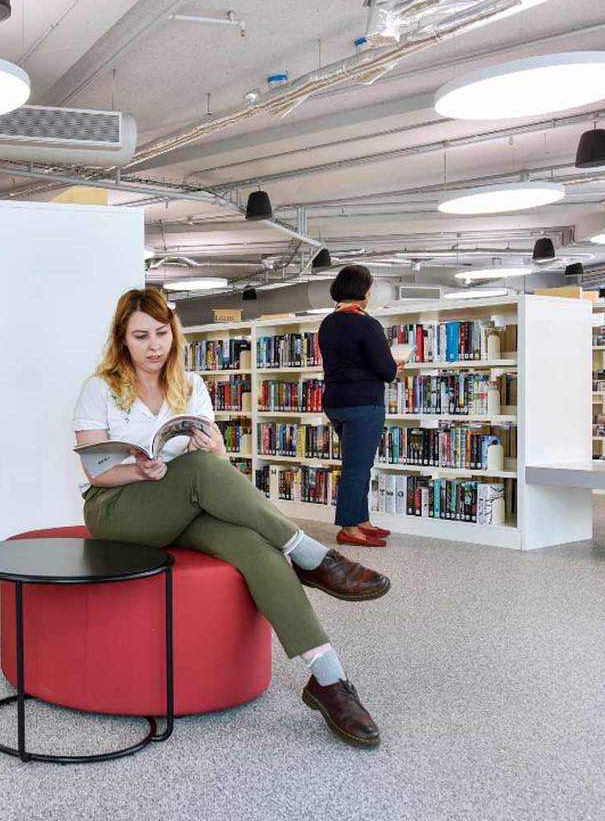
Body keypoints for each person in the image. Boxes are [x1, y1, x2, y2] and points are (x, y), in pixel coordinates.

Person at [73, 288, 391, 748]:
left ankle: (329, 680)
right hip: (117, 510)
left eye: (161, 333)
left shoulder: (192, 385)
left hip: (182, 508)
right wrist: (140, 469)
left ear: (173, 334)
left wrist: (214, 448)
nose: (154, 345)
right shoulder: (99, 388)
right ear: (123, 340)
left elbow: (214, 462)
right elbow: (97, 472)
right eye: (140, 336)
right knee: (199, 470)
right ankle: (313, 556)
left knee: (256, 549)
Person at [317, 265, 404, 548]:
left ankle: (361, 519)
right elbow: (385, 369)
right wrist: (395, 366)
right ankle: (349, 528)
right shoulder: (367, 324)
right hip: (363, 403)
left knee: (358, 464)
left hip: (335, 402)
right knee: (357, 467)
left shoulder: (328, 323)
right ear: (365, 293)